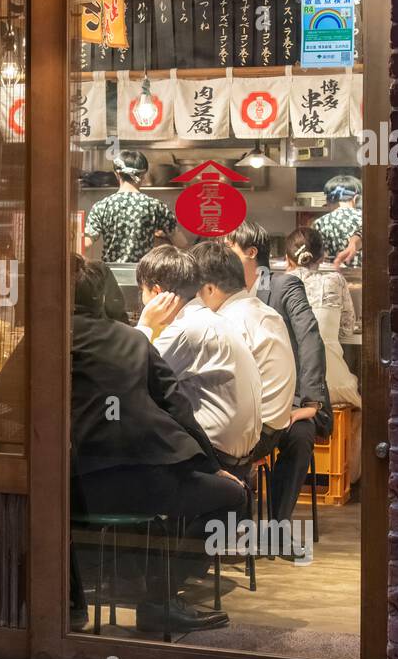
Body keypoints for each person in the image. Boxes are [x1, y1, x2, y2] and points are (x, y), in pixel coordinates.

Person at [69, 254, 246, 633]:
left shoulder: (49, 337)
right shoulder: (133, 339)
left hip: (80, 487)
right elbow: (178, 406)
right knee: (232, 497)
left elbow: (5, 388)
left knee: (42, 504)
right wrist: (214, 466)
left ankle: (71, 604)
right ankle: (158, 600)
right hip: (150, 480)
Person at [225, 222, 331, 538]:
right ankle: (235, 526)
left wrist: (311, 402)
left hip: (290, 399)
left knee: (300, 436)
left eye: (230, 250)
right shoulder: (225, 292)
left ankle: (276, 527)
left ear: (251, 252)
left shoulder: (284, 286)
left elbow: (310, 338)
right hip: (244, 401)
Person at [134, 245, 262, 468]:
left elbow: (130, 375)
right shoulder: (212, 319)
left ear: (156, 294)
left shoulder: (185, 329)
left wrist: (144, 323)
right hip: (238, 455)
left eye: (142, 291)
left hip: (213, 458)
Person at [191, 240, 297, 465]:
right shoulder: (261, 311)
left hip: (254, 436)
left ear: (209, 288)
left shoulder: (226, 322)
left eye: (195, 290)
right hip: (272, 428)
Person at [285, 226, 362, 484]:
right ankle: (349, 476)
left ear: (288, 259)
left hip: (291, 385)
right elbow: (347, 327)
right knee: (362, 406)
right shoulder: (336, 280)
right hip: (331, 384)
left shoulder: (280, 283)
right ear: (322, 255)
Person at [82, 150, 184, 263]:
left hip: (111, 274)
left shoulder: (102, 206)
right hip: (144, 274)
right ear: (143, 175)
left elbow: (85, 244)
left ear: (117, 174)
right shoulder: (155, 206)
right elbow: (181, 243)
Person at [312, 174, 363, 268]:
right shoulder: (365, 218)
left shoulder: (320, 222)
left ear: (328, 201)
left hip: (333, 276)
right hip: (363, 276)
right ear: (356, 198)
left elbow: (319, 256)